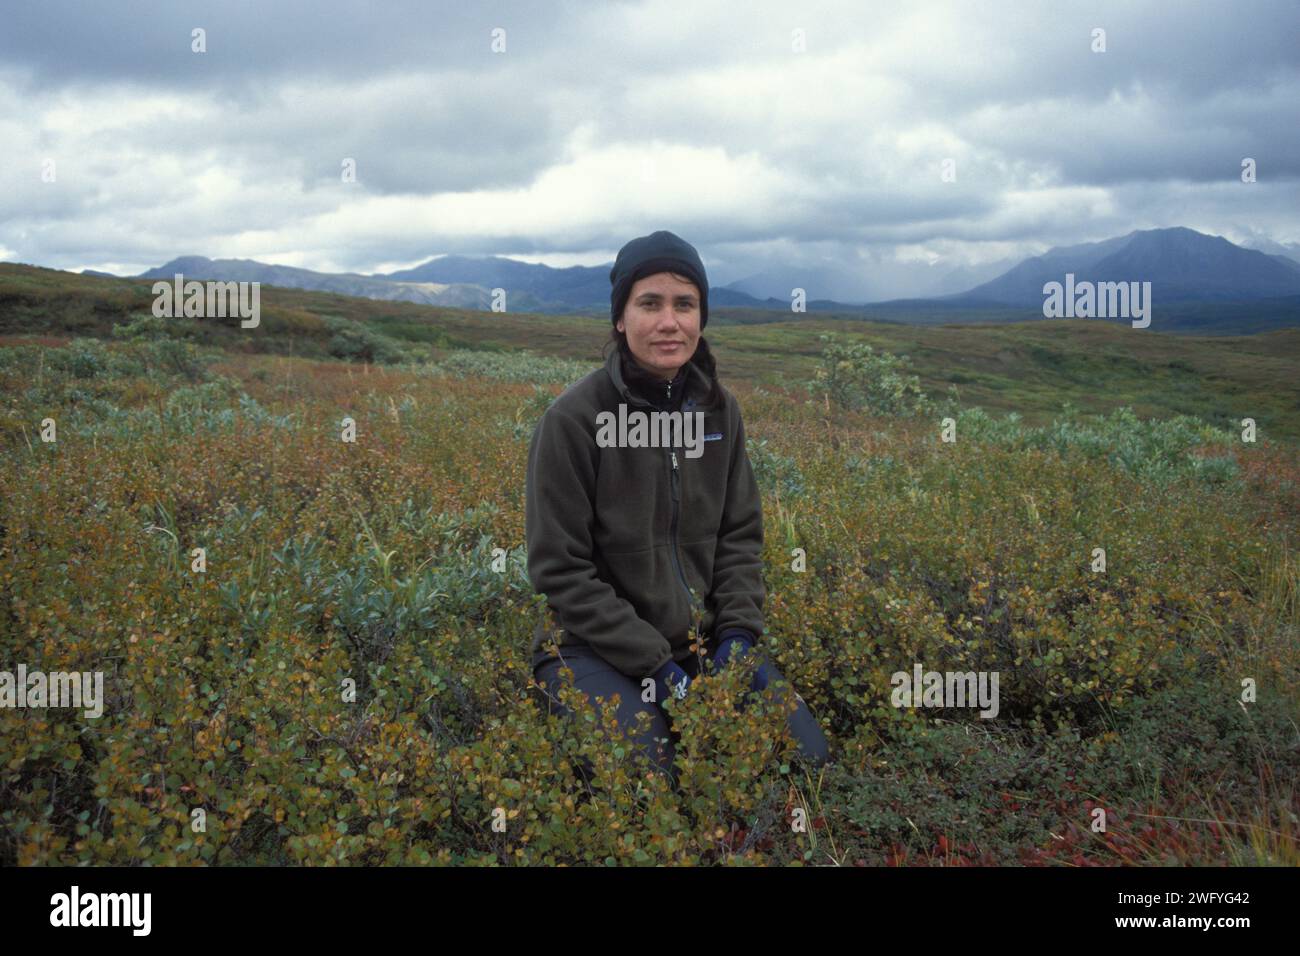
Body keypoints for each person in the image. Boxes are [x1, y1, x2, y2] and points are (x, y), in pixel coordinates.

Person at [525, 229, 831, 788]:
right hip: (595, 649)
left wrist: (736, 638)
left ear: (701, 316)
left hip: (704, 646)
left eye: (685, 304)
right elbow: (560, 570)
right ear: (620, 318)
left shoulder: (719, 411)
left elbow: (740, 534)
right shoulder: (572, 420)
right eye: (650, 303)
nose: (670, 322)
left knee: (807, 764)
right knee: (653, 782)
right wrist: (659, 669)